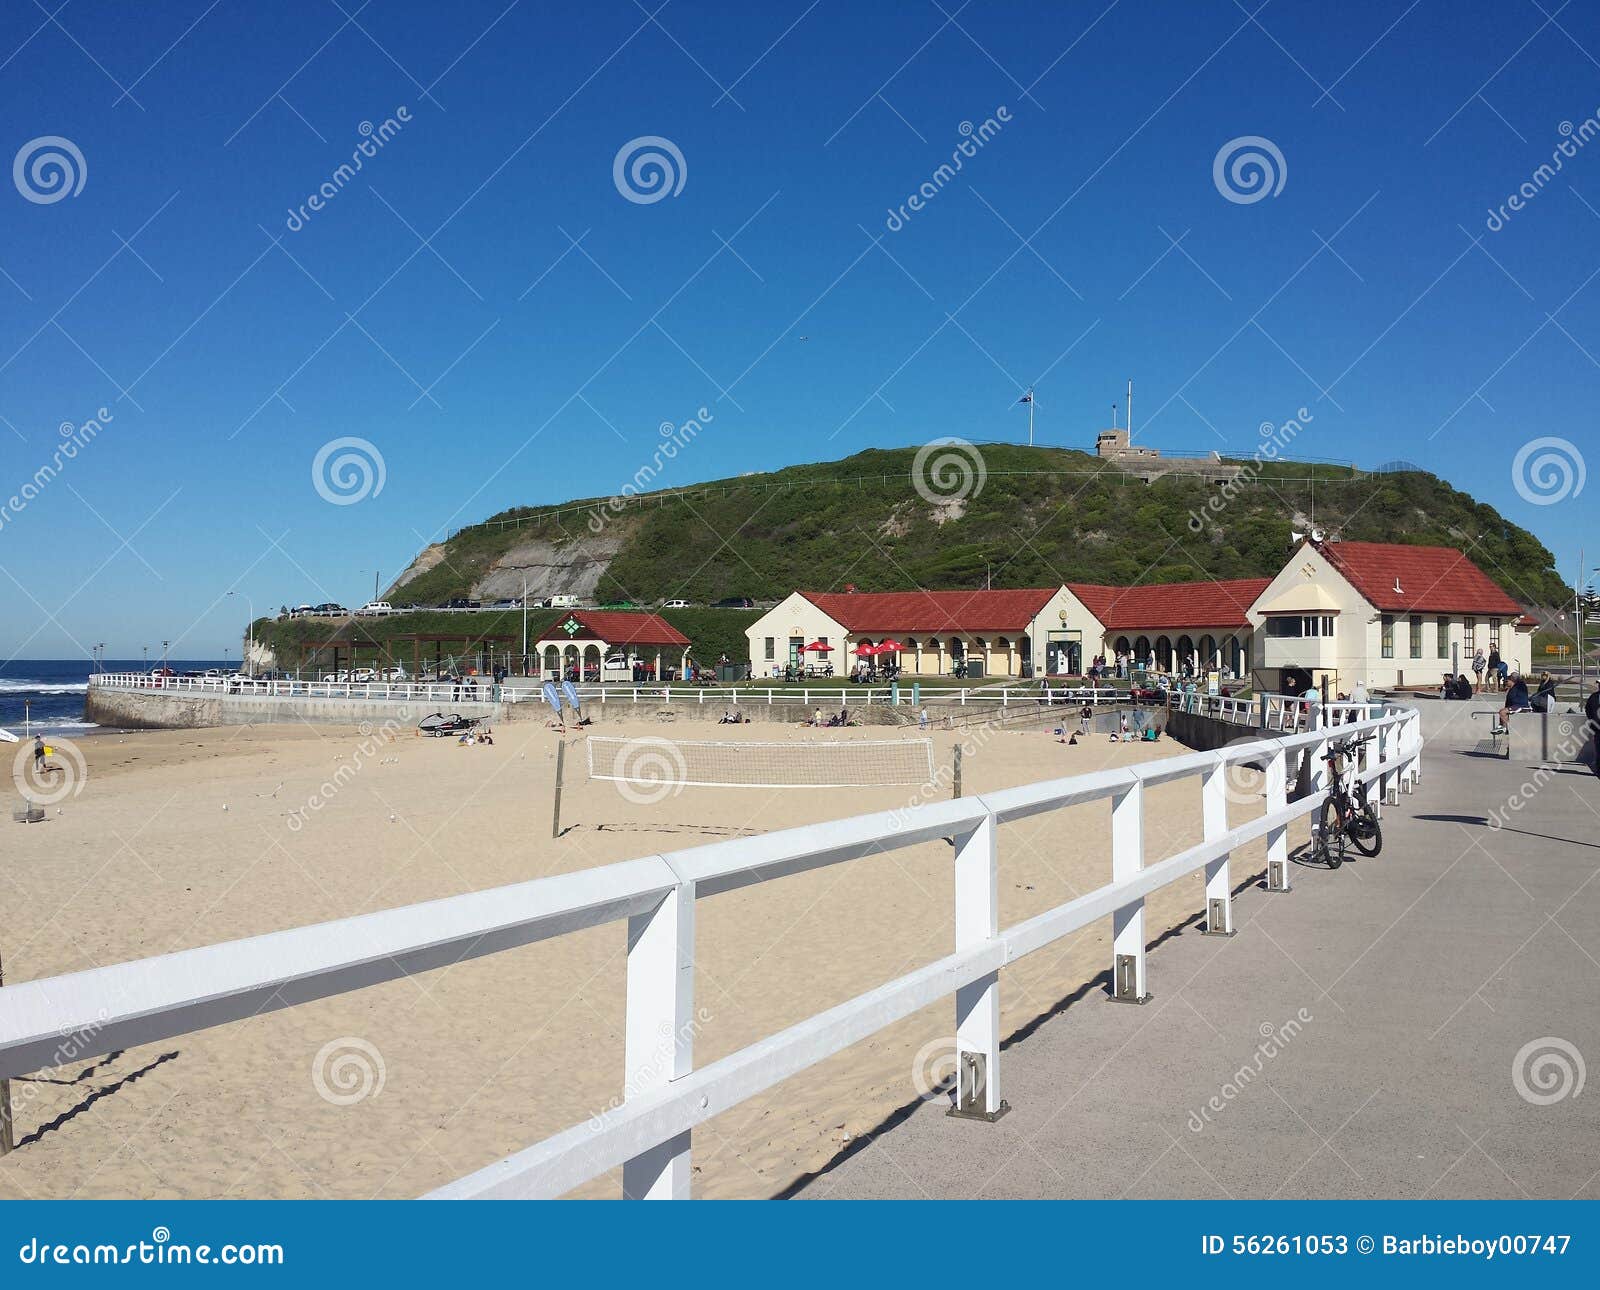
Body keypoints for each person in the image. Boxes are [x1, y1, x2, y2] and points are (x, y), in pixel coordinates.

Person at [1585, 681, 1600, 779]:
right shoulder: (1593, 697)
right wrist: (1592, 719)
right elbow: (1588, 708)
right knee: (1598, 750)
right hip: (1597, 728)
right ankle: (1598, 770)